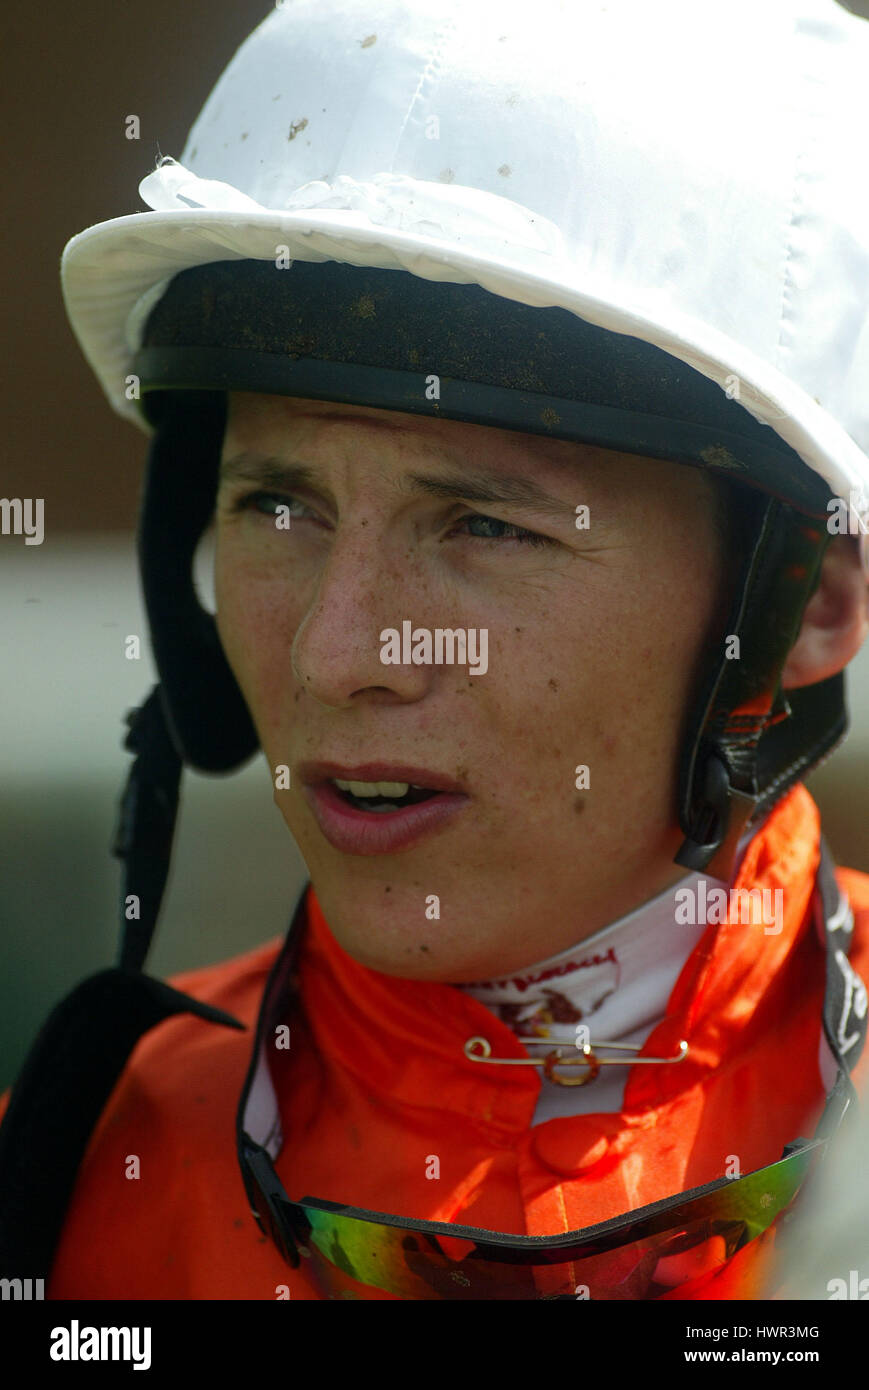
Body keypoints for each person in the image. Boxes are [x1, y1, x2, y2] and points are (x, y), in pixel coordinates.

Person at [1, 0, 868, 1302]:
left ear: (806, 604)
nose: (341, 651)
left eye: (482, 524)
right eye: (276, 505)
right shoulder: (62, 1178)